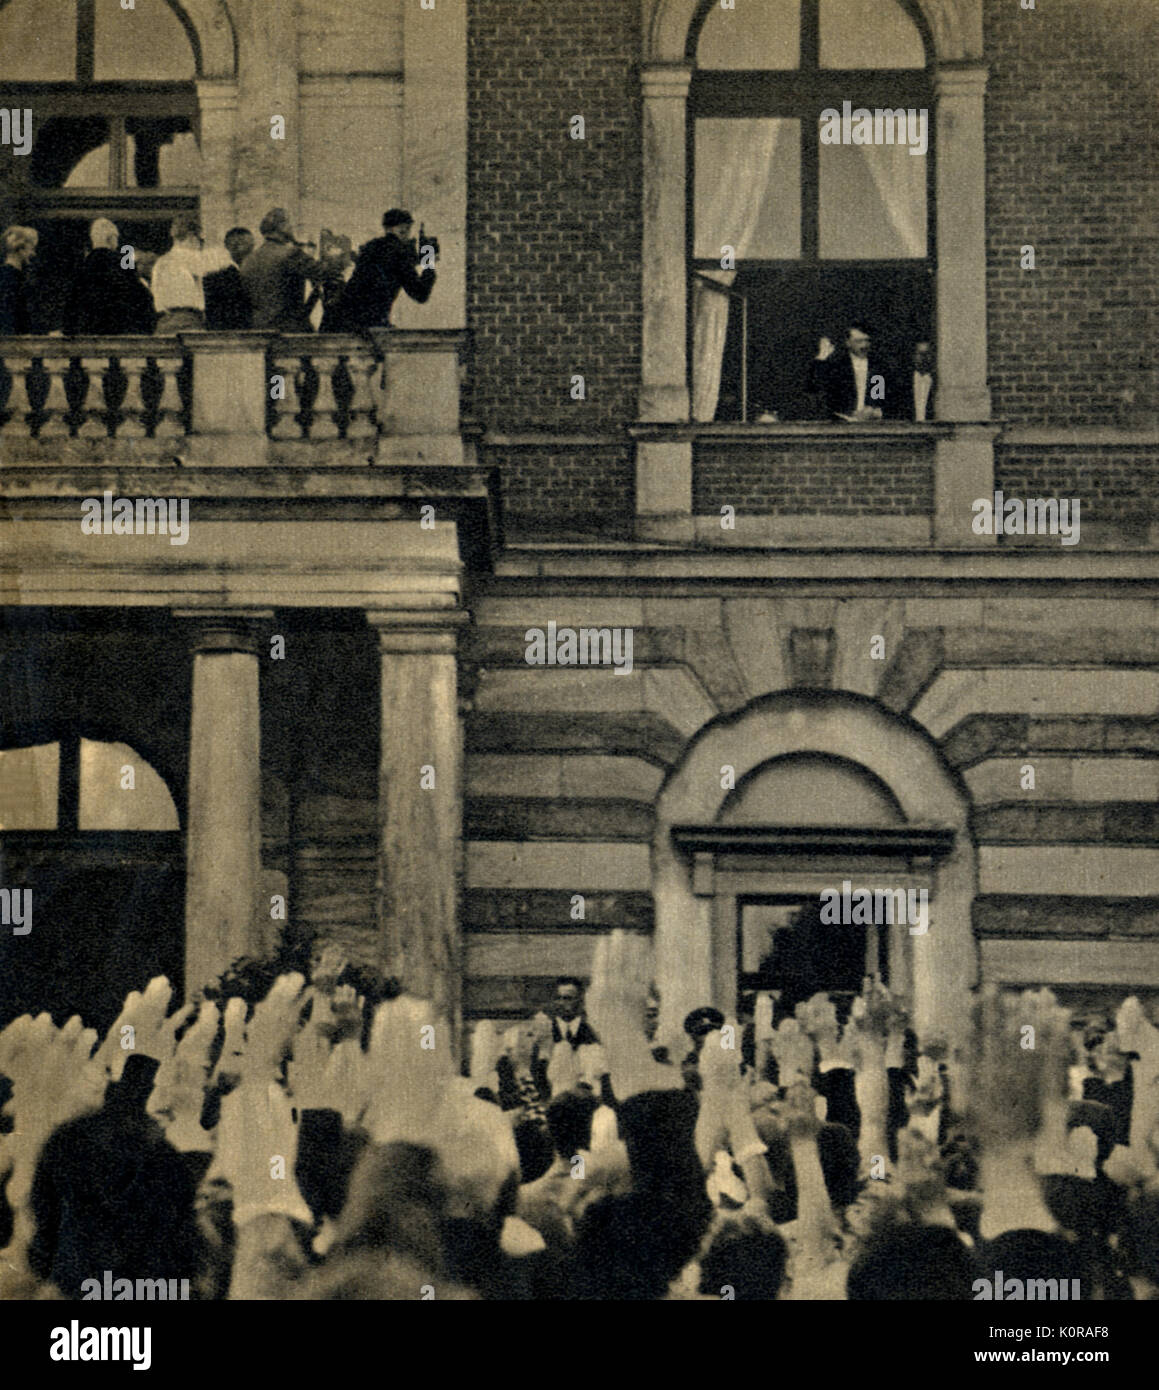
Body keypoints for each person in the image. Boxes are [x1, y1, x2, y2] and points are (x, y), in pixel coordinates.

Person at [327, 208, 436, 331]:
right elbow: (421, 294)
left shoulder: (372, 248)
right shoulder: (399, 253)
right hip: (364, 326)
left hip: (339, 321)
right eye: (406, 231)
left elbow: (384, 269)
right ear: (404, 229)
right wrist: (428, 264)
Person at [241, 208, 335, 333]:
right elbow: (323, 272)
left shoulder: (249, 258)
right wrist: (331, 257)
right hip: (289, 329)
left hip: (259, 328)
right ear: (282, 227)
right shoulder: (290, 254)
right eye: (290, 224)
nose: (292, 228)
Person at [65, 219, 155, 336]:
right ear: (111, 239)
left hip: (87, 338)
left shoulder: (81, 267)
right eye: (116, 238)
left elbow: (70, 307)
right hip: (120, 336)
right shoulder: (123, 263)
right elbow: (139, 298)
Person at [150, 214, 231, 332]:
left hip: (163, 321)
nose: (201, 246)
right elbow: (224, 262)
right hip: (187, 320)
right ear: (192, 236)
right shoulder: (189, 257)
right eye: (201, 241)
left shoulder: (161, 262)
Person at [812, 324, 888, 421]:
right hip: (840, 424)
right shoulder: (837, 366)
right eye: (858, 341)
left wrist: (872, 410)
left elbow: (877, 395)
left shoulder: (877, 367)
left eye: (867, 340)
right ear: (848, 343)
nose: (864, 345)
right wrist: (821, 358)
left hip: (871, 425)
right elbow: (816, 388)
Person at [203, 227, 255, 331]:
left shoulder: (211, 275)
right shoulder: (235, 274)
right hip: (239, 332)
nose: (253, 250)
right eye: (250, 246)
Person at [0, 226, 37, 335]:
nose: (33, 253)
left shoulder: (15, 275)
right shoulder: (10, 277)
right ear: (20, 249)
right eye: (31, 248)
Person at [893, 338, 936, 421]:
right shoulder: (903, 383)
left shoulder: (937, 382)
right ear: (913, 356)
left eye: (927, 354)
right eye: (920, 354)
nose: (924, 358)